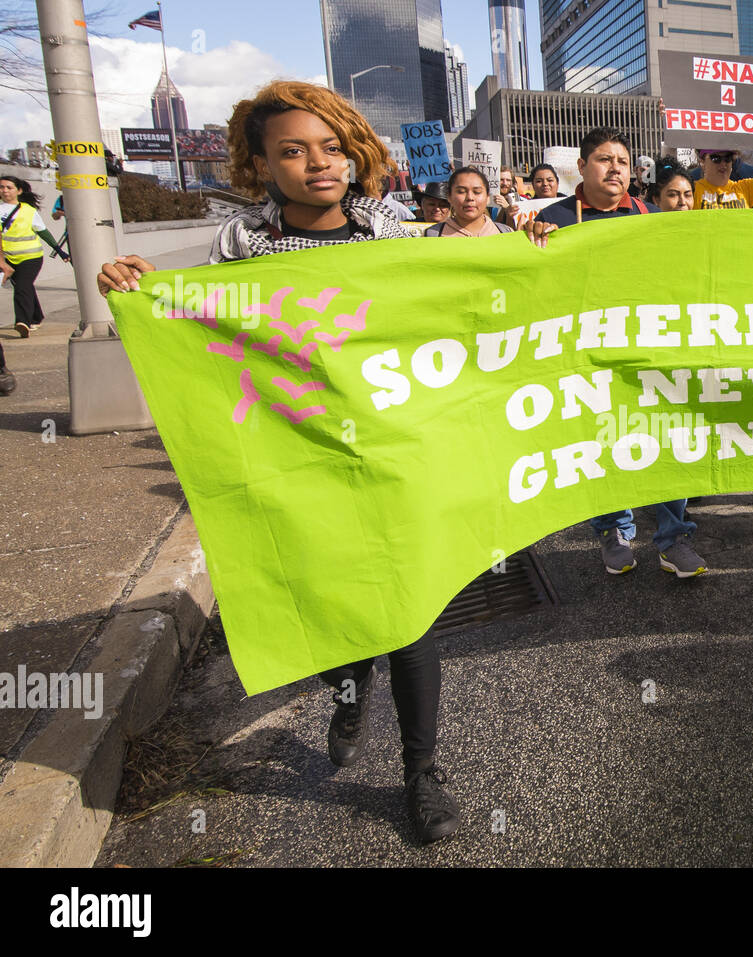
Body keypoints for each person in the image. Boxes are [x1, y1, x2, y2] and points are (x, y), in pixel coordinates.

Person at [94, 80, 459, 844]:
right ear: (262, 166)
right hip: (301, 463)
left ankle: (422, 775)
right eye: (292, 151)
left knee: (410, 612)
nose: (317, 164)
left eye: (332, 147)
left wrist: (529, 244)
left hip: (391, 455)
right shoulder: (240, 246)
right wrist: (137, 291)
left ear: (355, 156)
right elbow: (202, 331)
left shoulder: (398, 234)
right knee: (337, 613)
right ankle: (348, 688)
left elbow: (474, 293)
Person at [529, 128, 707, 579]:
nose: (614, 169)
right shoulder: (552, 220)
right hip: (586, 356)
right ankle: (614, 530)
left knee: (664, 441)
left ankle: (673, 539)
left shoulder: (650, 216)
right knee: (601, 442)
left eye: (623, 162)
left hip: (647, 352)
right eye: (605, 160)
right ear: (583, 167)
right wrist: (531, 244)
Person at [1, 175, 70, 337]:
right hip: (8, 258)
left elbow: (43, 232)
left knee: (21, 287)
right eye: (1, 187)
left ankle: (22, 322)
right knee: (25, 287)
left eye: (8, 187)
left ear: (19, 191)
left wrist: (59, 251)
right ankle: (36, 317)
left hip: (31, 257)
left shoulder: (28, 211)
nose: (4, 190)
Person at [426, 167, 514, 237]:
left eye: (477, 192)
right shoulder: (432, 234)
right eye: (461, 191)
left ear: (488, 198)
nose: (470, 198)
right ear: (449, 197)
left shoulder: (506, 232)